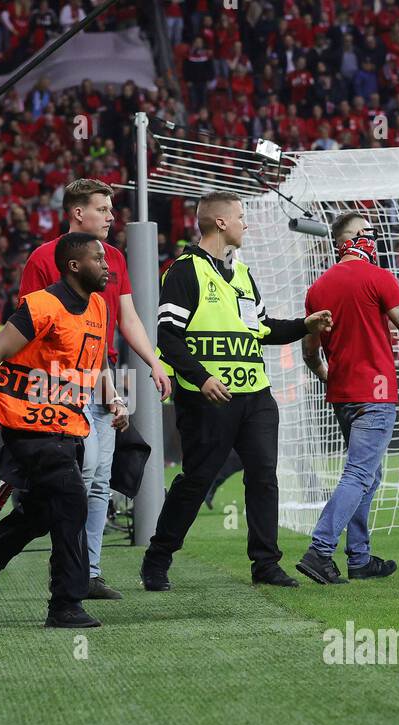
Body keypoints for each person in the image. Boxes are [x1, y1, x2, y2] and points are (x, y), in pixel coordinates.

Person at [140, 192, 333, 591]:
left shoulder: (242, 274)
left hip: (255, 395)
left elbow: (263, 329)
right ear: (221, 223)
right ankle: (158, 557)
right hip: (206, 397)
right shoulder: (184, 271)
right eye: (242, 217)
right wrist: (202, 377)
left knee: (264, 475)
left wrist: (304, 324)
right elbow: (168, 337)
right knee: (196, 480)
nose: (247, 223)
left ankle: (265, 564)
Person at [0, 233, 125, 628]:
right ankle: (65, 605)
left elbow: (94, 365)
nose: (107, 265)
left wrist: (114, 399)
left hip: (69, 426)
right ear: (74, 266)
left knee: (42, 512)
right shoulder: (43, 305)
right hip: (28, 424)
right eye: (99, 259)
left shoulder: (97, 305)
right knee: (71, 500)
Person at [20, 178, 172, 601]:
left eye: (111, 209)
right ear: (77, 214)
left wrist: (153, 362)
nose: (111, 217)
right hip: (58, 383)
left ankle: (88, 572)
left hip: (101, 377)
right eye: (103, 209)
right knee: (79, 478)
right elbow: (29, 325)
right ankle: (67, 571)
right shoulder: (42, 259)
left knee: (101, 481)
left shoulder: (116, 259)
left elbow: (127, 318)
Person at [296, 212, 399, 585]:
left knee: (368, 474)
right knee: (359, 473)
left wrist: (328, 376)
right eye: (367, 232)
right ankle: (320, 550)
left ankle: (359, 557)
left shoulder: (317, 289)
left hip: (342, 393)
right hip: (376, 391)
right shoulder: (379, 278)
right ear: (353, 238)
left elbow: (309, 352)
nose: (373, 238)